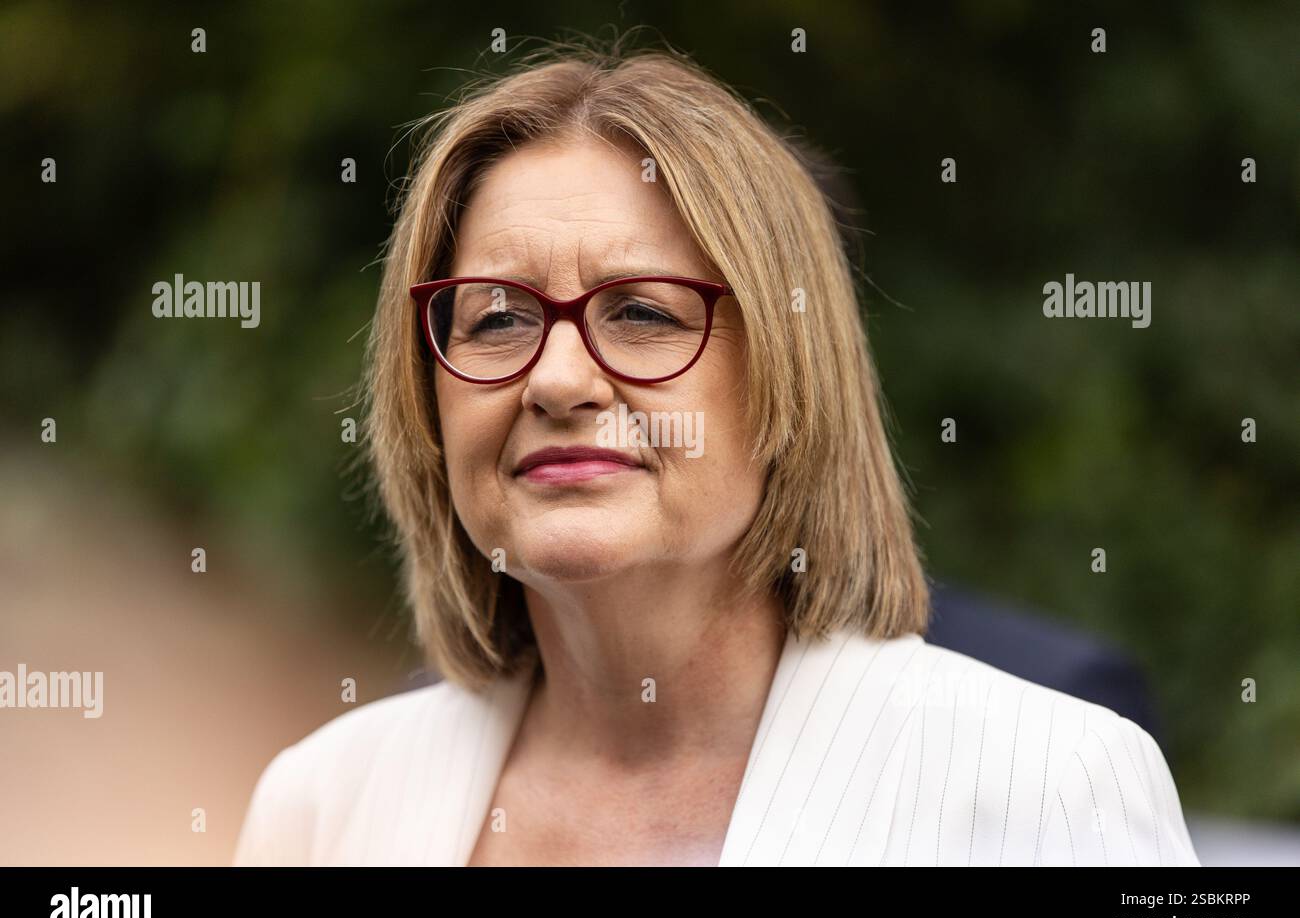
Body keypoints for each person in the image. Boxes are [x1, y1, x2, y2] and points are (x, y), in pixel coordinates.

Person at [233, 42, 1199, 867]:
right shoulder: (325, 808)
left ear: (790, 374)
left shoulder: (1048, 785)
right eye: (497, 317)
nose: (559, 379)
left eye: (643, 311)